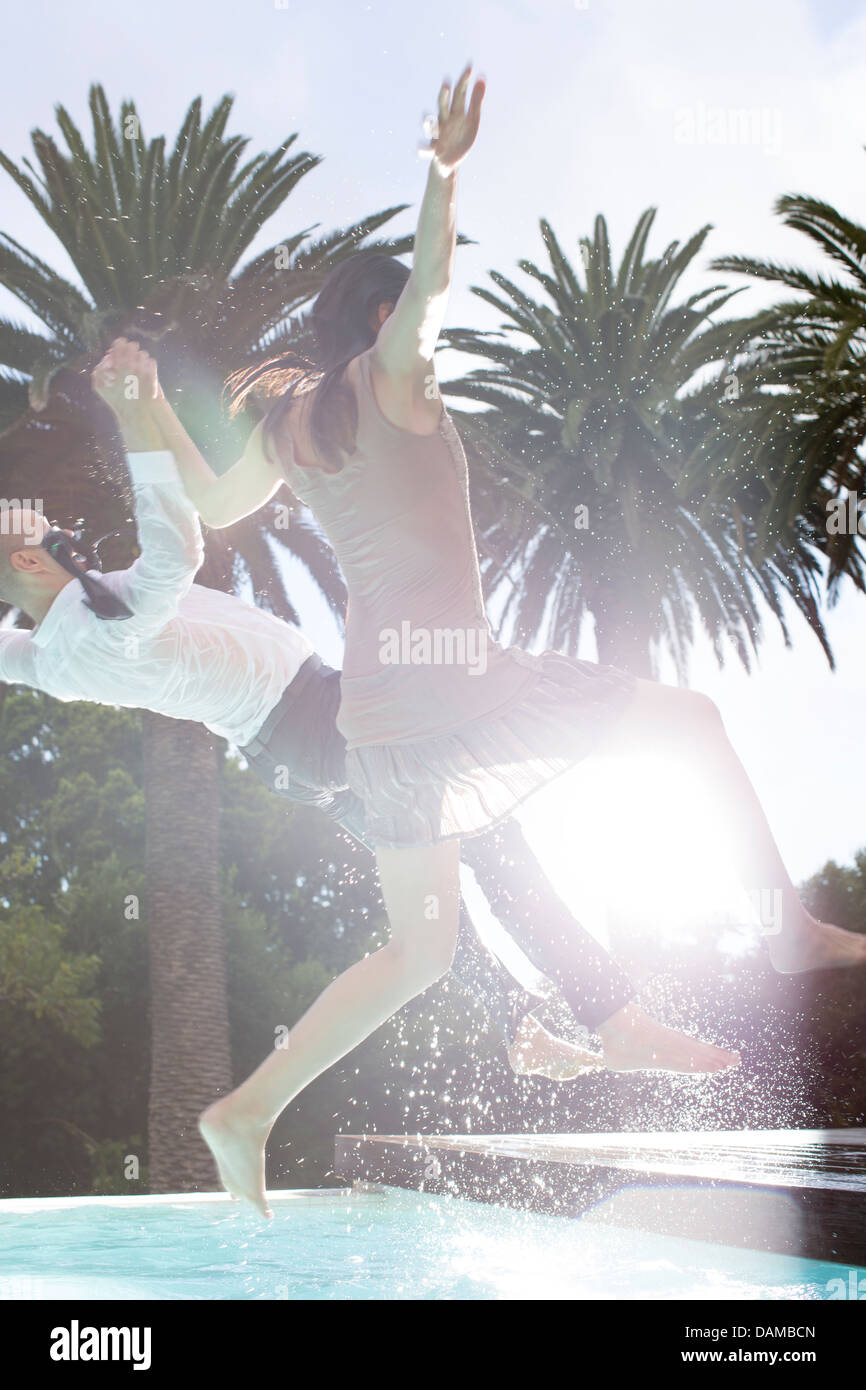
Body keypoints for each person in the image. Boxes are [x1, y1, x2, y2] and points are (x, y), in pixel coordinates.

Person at [157, 64, 864, 1216]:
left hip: (377, 725)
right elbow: (431, 286)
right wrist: (441, 171)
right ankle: (782, 929)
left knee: (417, 952)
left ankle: (244, 1110)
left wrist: (147, 431)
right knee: (688, 720)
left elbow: (210, 505)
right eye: (413, 326)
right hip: (460, 689)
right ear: (381, 321)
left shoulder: (292, 424)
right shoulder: (389, 380)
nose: (429, 344)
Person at [0, 340, 691, 1100]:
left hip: (302, 742)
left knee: (434, 868)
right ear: (33, 565)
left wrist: (148, 406)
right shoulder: (86, 631)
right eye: (44, 532)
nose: (60, 526)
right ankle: (605, 1013)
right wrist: (135, 413)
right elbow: (177, 548)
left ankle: (519, 1023)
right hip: (312, 724)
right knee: (482, 834)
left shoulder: (49, 648)